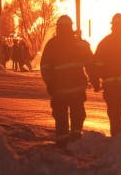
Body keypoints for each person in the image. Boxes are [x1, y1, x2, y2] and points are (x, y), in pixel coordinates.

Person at [40, 15, 94, 146]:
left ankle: (62, 142)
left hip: (59, 89)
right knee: (77, 113)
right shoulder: (79, 44)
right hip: (77, 88)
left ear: (58, 28)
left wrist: (50, 84)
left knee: (61, 115)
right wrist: (94, 79)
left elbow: (45, 67)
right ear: (71, 27)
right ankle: (76, 137)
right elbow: (90, 63)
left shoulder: (52, 45)